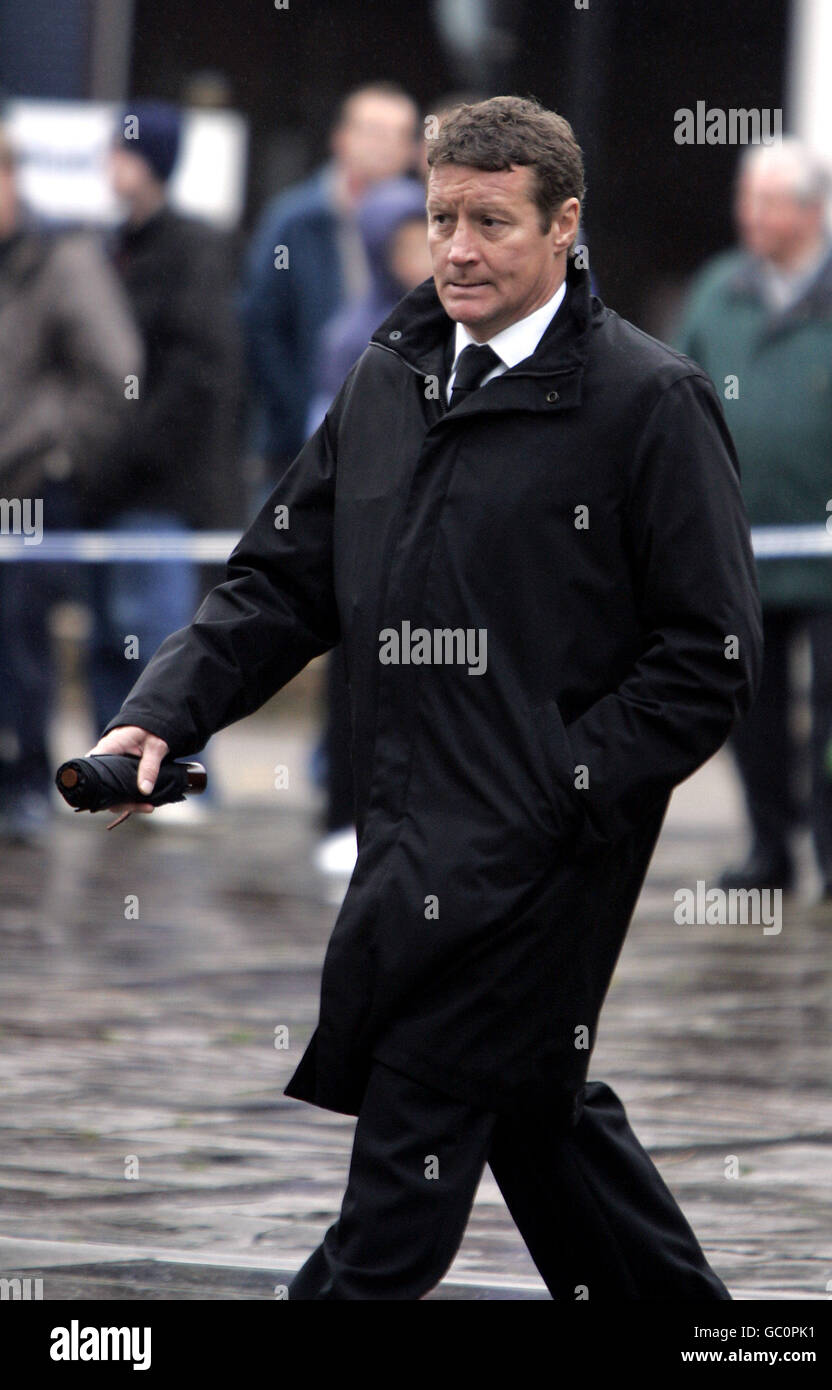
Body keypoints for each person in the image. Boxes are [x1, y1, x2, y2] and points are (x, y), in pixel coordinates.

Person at [85, 96, 762, 1300]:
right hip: (406, 837)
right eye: (441, 216)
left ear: (563, 227)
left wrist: (562, 783)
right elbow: (278, 582)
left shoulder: (646, 401)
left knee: (397, 1197)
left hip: (540, 864)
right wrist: (162, 713)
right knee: (541, 1128)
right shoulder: (389, 379)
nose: (455, 246)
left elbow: (705, 654)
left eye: (490, 222)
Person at [675, 138, 832, 901]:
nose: (749, 214)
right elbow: (681, 396)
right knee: (742, 699)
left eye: (768, 201)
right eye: (746, 198)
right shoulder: (720, 288)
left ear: (813, 210)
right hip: (742, 545)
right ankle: (768, 846)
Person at [87, 100, 242, 808]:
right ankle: (114, 778)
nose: (109, 165)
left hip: (163, 488)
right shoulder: (111, 246)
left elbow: (195, 372)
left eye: (123, 151)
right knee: (108, 639)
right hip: (109, 487)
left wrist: (132, 449)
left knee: (157, 641)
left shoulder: (193, 249)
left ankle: (182, 786)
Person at [0, 125, 142, 844]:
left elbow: (116, 367)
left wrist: (63, 458)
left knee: (21, 634)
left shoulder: (61, 257)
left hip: (28, 482)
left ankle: (24, 780)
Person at [306, 174, 431, 879]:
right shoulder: (353, 337)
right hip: (363, 545)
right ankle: (339, 813)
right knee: (353, 685)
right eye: (404, 242)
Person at [240, 82, 419, 506]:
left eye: (397, 134)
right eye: (371, 130)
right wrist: (302, 407)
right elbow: (260, 323)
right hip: (294, 449)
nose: (383, 145)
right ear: (340, 138)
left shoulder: (429, 224)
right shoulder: (294, 219)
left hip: (396, 449)